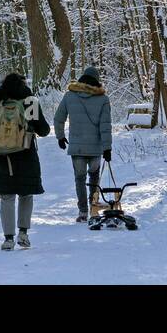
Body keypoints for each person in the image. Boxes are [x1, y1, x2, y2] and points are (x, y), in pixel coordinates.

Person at [0, 72, 50, 250]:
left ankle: (8, 238)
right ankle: (23, 233)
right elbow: (43, 130)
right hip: (26, 155)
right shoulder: (29, 100)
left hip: (2, 157)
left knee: (7, 197)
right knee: (26, 194)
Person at [53, 64, 112, 223]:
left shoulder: (69, 96)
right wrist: (107, 148)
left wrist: (60, 136)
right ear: (97, 81)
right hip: (95, 148)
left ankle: (83, 211)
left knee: (79, 179)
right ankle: (93, 207)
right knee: (94, 177)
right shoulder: (103, 99)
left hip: (77, 147)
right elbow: (105, 126)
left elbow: (58, 118)